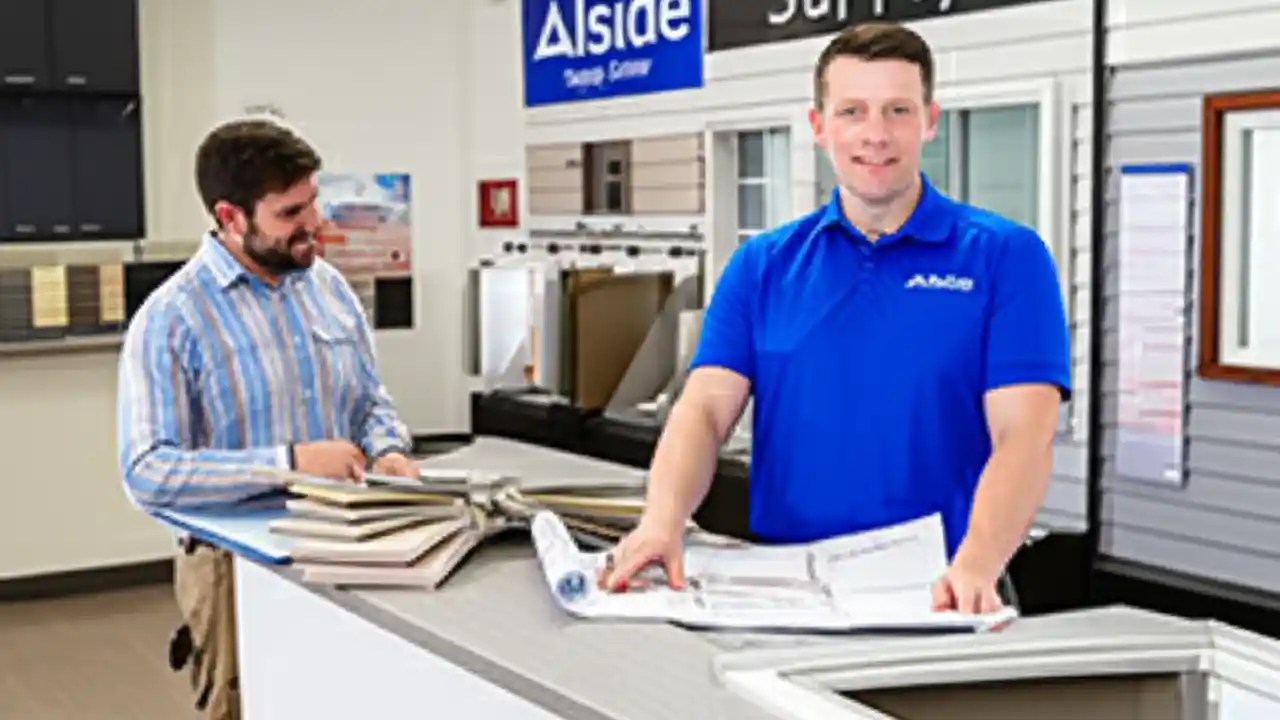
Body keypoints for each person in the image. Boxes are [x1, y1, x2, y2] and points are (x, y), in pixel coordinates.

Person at [599, 21, 1070, 615]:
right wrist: (661, 523)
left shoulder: (1006, 257)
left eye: (897, 110)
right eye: (853, 111)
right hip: (786, 586)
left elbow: (1024, 436)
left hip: (946, 591)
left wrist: (976, 564)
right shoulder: (761, 266)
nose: (876, 134)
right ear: (819, 126)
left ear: (930, 120)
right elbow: (703, 410)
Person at [116, 117, 418, 719]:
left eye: (313, 202)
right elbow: (148, 471)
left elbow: (369, 401)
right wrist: (289, 465)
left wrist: (387, 449)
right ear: (230, 218)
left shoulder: (328, 288)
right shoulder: (172, 319)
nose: (314, 225)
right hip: (238, 573)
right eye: (289, 213)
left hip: (350, 544)